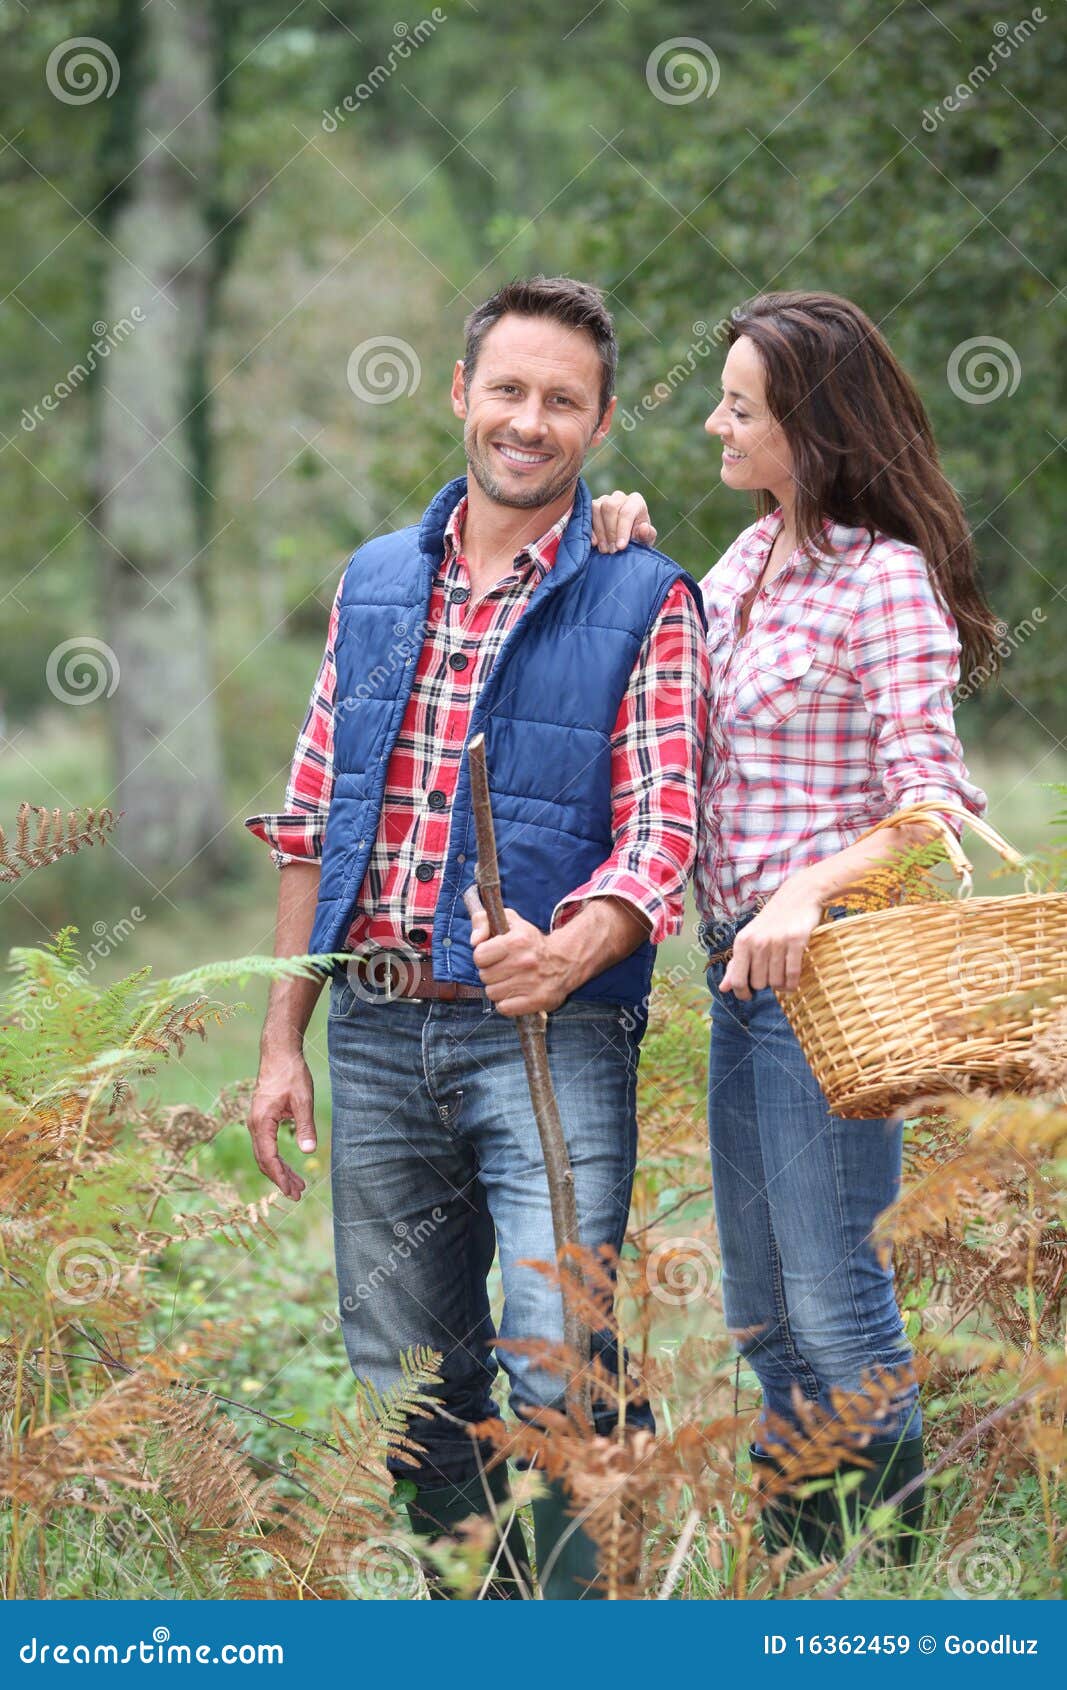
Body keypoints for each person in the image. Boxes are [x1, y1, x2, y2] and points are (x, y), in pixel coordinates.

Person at [244, 276, 709, 1598]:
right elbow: (310, 819)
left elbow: (661, 830)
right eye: (506, 388)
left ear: (599, 420)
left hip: (545, 1039)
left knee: (557, 1359)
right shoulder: (376, 580)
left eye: (562, 400)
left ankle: (570, 1624)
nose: (528, 420)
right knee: (411, 1379)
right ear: (459, 394)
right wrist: (284, 1041)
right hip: (381, 1033)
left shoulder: (643, 594)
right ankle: (476, 1624)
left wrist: (567, 951)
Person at [591, 290, 997, 1564]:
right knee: (763, 1307)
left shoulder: (879, 580)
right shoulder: (747, 558)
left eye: (739, 408)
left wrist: (804, 889)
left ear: (809, 430)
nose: (713, 422)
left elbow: (933, 808)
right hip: (734, 974)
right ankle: (798, 1569)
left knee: (832, 1299)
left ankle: (882, 1584)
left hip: (825, 975)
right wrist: (623, 551)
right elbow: (671, 690)